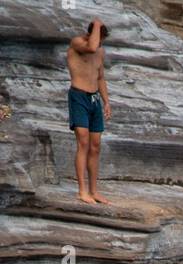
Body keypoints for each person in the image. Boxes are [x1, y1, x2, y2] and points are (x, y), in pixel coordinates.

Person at [67, 20, 111, 205]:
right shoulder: (77, 43)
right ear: (92, 34)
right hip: (78, 96)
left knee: (95, 145)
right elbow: (91, 47)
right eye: (99, 38)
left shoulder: (100, 50)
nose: (100, 43)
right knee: (83, 141)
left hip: (94, 100)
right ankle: (82, 191)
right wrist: (97, 23)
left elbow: (100, 77)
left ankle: (94, 191)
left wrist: (106, 101)